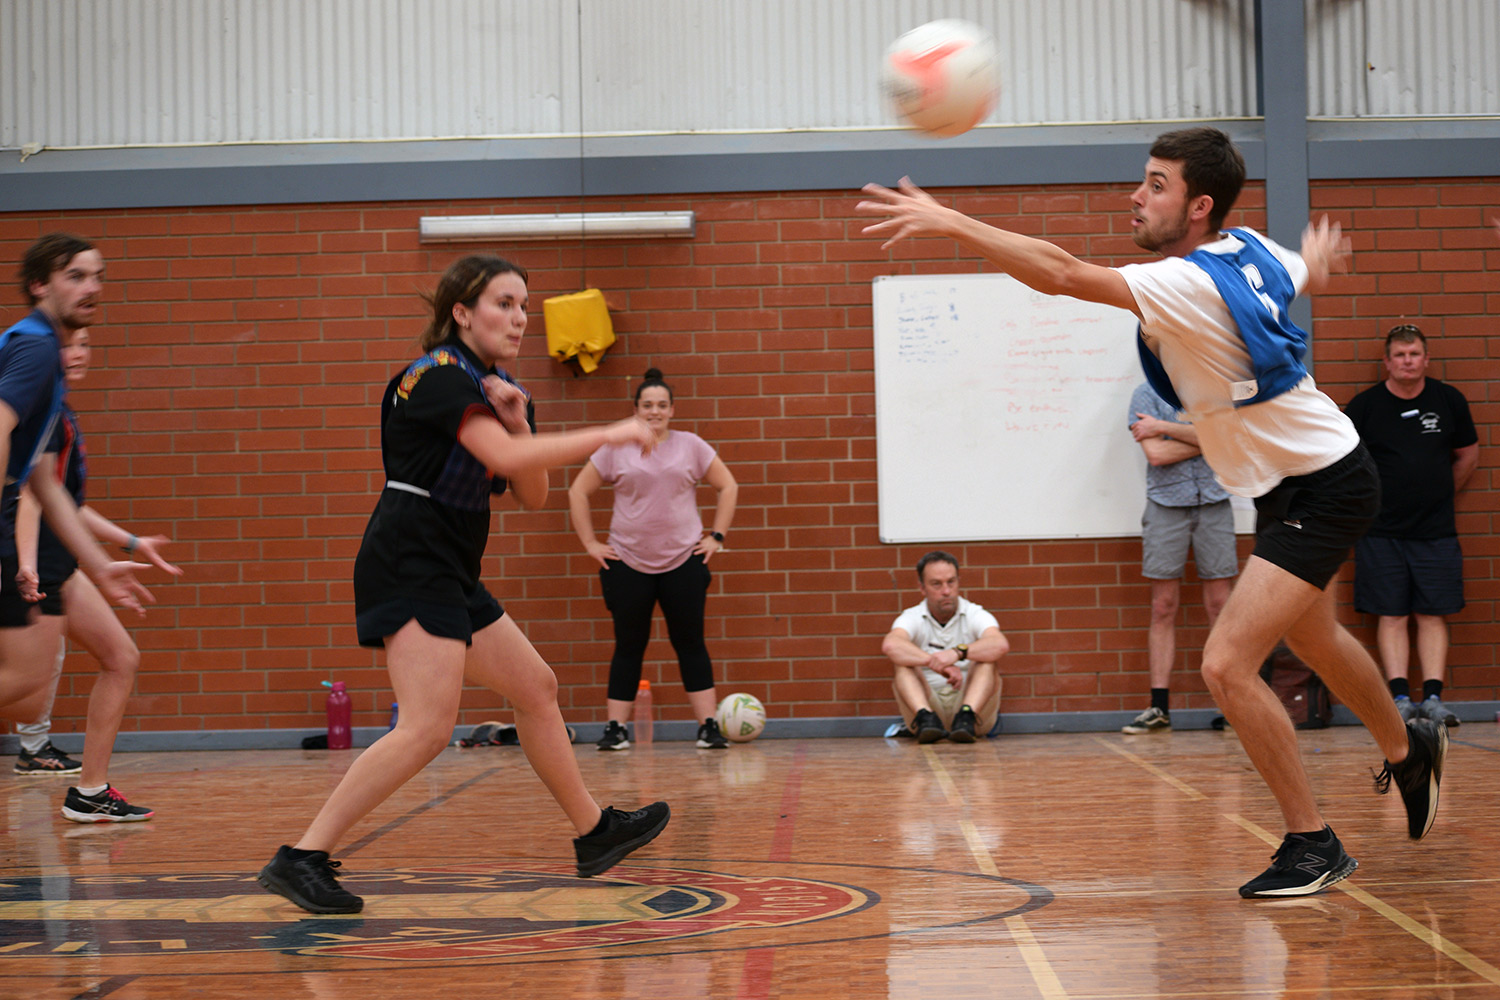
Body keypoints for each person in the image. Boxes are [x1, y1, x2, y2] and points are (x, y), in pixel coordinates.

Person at [857, 126, 1447, 898]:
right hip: (1298, 479)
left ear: (1199, 206)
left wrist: (953, 222)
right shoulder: (1255, 249)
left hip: (1326, 484)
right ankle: (1411, 750)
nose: (1138, 195)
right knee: (1317, 635)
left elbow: (1061, 273)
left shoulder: (1185, 283)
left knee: (1225, 664)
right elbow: (1297, 271)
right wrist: (1317, 260)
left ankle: (1314, 842)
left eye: (1156, 184)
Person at [257, 255, 670, 915]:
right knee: (426, 725)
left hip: (451, 569)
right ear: (461, 312)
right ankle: (301, 857)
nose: (518, 318)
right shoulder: (439, 378)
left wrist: (520, 421)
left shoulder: (489, 386)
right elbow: (508, 465)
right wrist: (611, 432)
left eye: (524, 307)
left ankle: (594, 834)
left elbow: (530, 491)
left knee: (536, 688)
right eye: (503, 303)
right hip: (409, 559)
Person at [10, 326, 182, 823]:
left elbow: (68, 504)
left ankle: (90, 790)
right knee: (26, 686)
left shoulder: (62, 413)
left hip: (58, 561)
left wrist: (130, 541)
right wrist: (25, 561)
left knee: (121, 657)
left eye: (84, 344)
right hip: (36, 562)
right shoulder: (40, 412)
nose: (78, 353)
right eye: (67, 345)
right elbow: (28, 495)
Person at [1, 235, 155, 757]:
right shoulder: (38, 345)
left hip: (25, 529)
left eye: (98, 276)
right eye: (76, 276)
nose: (92, 287)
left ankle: (89, 792)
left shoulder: (45, 359)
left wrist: (102, 562)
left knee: (25, 699)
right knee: (24, 683)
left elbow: (42, 483)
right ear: (39, 285)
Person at [568, 367, 739, 751]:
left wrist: (716, 536)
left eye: (662, 405)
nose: (655, 412)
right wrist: (591, 543)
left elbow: (728, 485)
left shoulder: (691, 445)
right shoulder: (614, 449)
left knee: (690, 642)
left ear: (672, 410)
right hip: (627, 562)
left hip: (684, 559)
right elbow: (578, 492)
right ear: (636, 410)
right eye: (647, 405)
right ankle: (616, 728)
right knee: (629, 644)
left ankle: (708, 726)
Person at [1345, 324, 1478, 729]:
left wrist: (1438, 495)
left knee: (1432, 614)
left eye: (1414, 354)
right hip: (1380, 531)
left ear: (1426, 359)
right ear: (1386, 362)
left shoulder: (1448, 400)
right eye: (1400, 355)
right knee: (1391, 614)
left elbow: (1468, 456)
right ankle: (1401, 699)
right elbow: (1345, 462)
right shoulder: (1365, 406)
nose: (1407, 361)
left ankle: (1433, 699)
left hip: (1436, 530)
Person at [1121, 381, 1237, 734]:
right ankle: (1159, 707)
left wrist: (1163, 428)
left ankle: (1234, 706)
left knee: (1221, 604)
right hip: (1165, 506)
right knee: (1163, 606)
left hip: (1215, 501)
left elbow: (1229, 440)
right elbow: (1157, 455)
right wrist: (1205, 439)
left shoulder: (1213, 391)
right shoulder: (1144, 395)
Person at [880, 551, 1008, 743]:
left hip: (973, 711)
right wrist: (937, 662)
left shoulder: (975, 613)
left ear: (958, 583)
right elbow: (891, 645)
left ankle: (966, 717)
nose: (946, 591)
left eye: (951, 582)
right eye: (937, 584)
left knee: (987, 661)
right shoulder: (911, 616)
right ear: (922, 588)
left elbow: (999, 644)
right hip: (929, 707)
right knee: (903, 663)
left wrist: (957, 653)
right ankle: (925, 718)